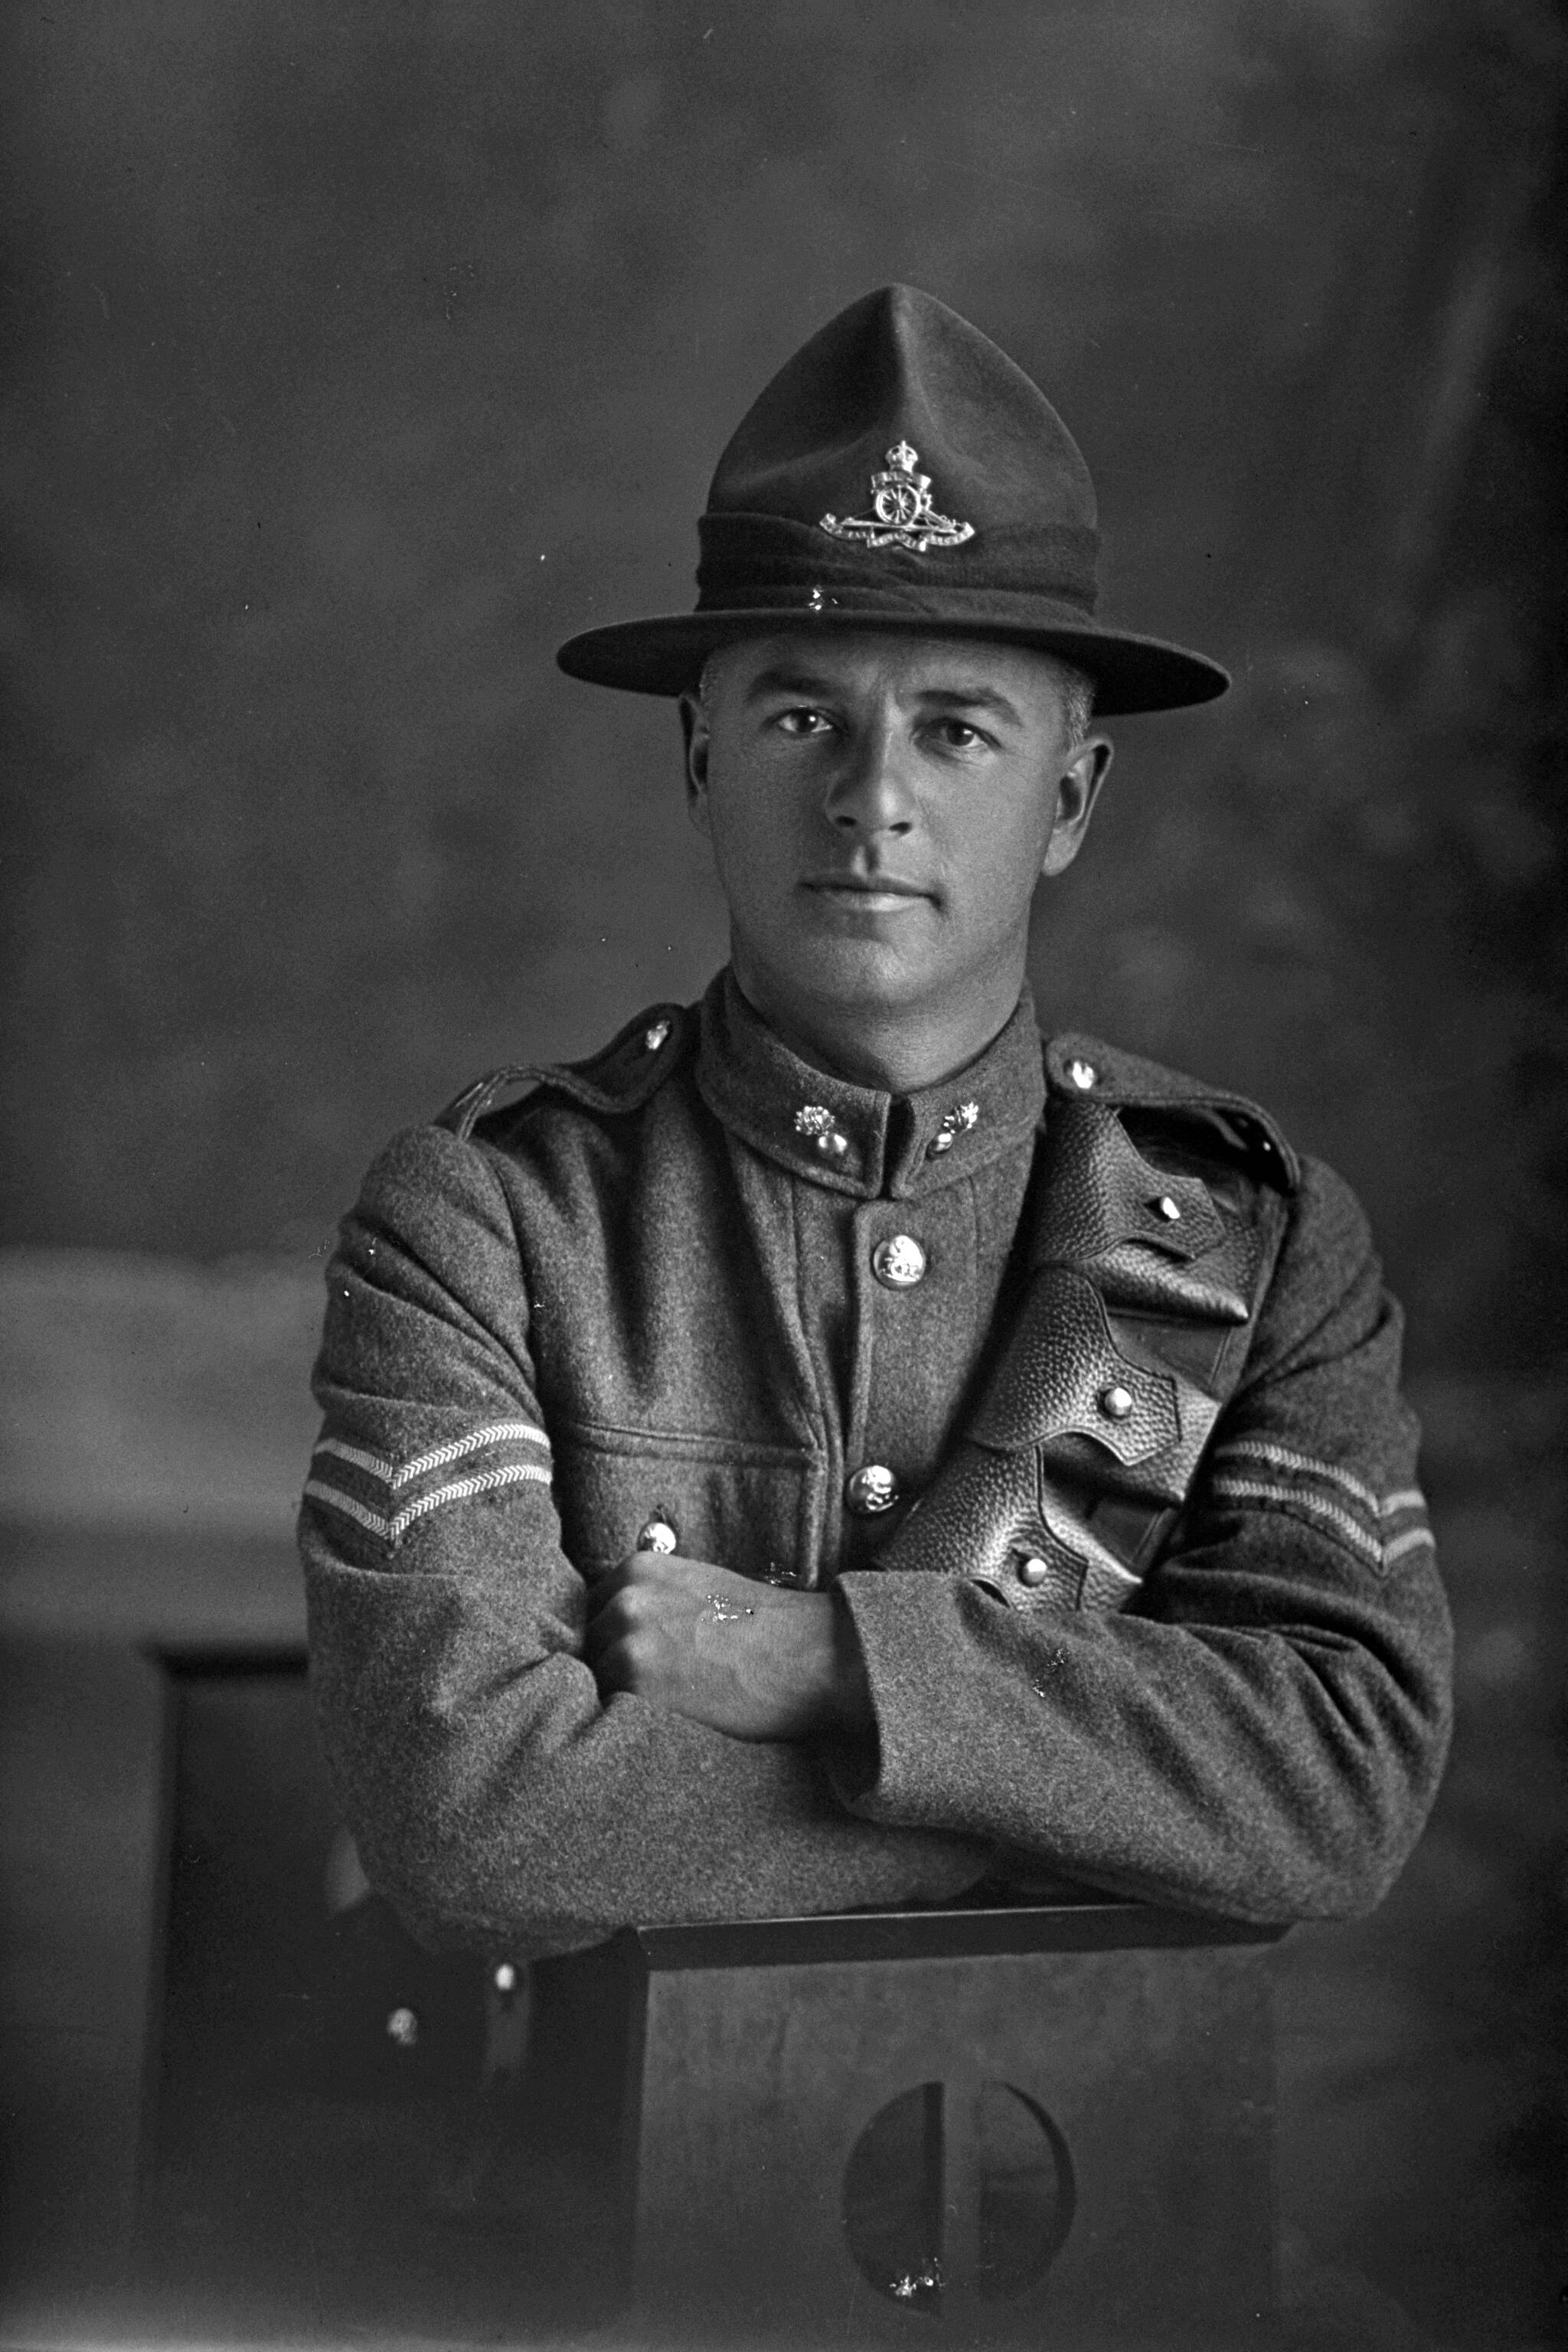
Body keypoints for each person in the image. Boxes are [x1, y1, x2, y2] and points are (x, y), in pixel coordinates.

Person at [299, 286, 1452, 1963]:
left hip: (1093, 2184)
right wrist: (1096, 1816)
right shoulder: (488, 1220)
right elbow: (479, 1828)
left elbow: (1340, 1790)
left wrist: (828, 1664)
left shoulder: (1250, 1234)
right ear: (699, 763)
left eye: (957, 727)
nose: (870, 796)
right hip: (608, 2189)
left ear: (1067, 798)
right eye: (797, 716)